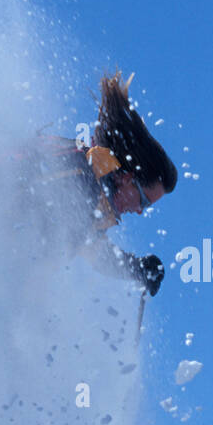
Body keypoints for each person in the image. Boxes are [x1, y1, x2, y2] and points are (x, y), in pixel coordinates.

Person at [39, 70, 177, 296]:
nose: (140, 210)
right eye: (143, 200)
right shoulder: (80, 178)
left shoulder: (94, 182)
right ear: (127, 177)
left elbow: (93, 248)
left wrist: (136, 268)